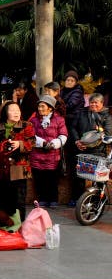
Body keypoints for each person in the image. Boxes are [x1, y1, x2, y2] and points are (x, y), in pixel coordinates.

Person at [0, 102, 35, 221]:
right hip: (1, 168)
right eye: (12, 110)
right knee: (1, 198)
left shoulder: (27, 125)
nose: (16, 113)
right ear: (6, 113)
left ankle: (19, 226)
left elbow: (32, 143)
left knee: (19, 199)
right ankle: (2, 226)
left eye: (18, 110)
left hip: (19, 168)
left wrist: (19, 144)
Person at [30, 95, 68, 207]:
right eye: (39, 106)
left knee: (52, 179)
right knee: (39, 179)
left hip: (53, 155)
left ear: (50, 108)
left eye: (43, 106)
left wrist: (54, 144)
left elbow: (63, 135)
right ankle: (42, 199)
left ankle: (53, 200)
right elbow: (30, 135)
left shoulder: (59, 120)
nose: (40, 109)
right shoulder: (33, 120)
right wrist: (42, 143)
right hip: (37, 155)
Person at [62, 70, 88, 205]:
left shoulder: (77, 92)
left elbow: (69, 105)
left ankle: (78, 197)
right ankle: (74, 197)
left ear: (76, 82)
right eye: (67, 80)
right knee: (71, 166)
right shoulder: (63, 92)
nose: (69, 82)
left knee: (77, 165)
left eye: (72, 80)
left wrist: (58, 105)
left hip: (76, 130)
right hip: (67, 128)